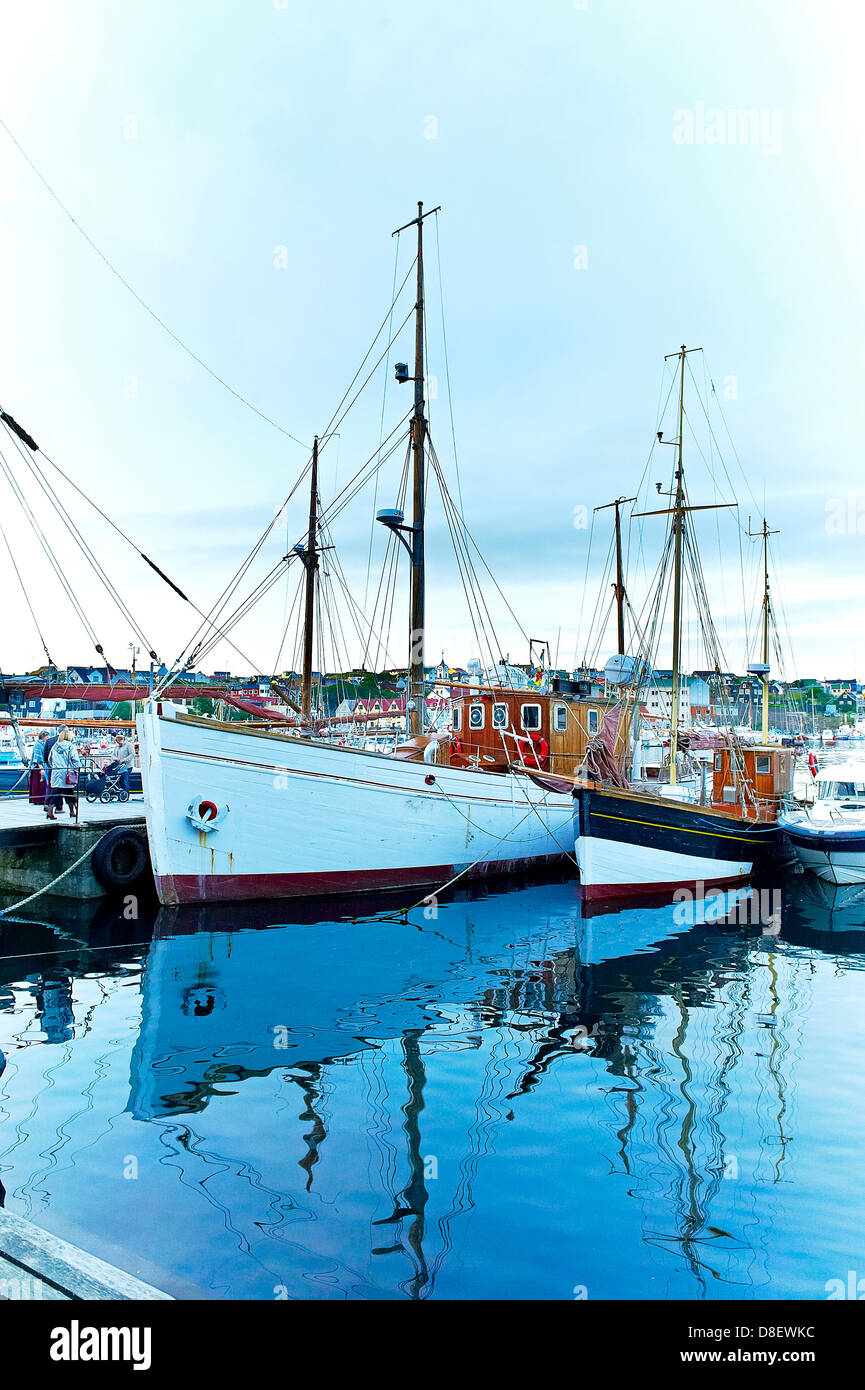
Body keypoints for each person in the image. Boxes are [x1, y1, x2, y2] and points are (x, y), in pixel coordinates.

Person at [47, 728, 81, 819]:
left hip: (56, 772)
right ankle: (72, 812)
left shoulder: (55, 746)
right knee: (69, 793)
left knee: (55, 792)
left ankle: (50, 812)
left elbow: (50, 759)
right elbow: (75, 759)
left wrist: (54, 767)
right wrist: (77, 768)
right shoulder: (71, 746)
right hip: (67, 772)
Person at [27, 729, 50, 808]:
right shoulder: (38, 745)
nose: (48, 738)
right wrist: (41, 768)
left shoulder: (41, 744)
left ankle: (39, 799)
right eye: (47, 737)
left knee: (39, 784)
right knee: (38, 784)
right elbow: (37, 757)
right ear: (43, 737)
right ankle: (38, 800)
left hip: (40, 766)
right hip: (38, 766)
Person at [111, 730, 135, 794]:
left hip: (127, 766)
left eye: (119, 741)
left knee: (125, 780)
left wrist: (124, 759)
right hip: (119, 766)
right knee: (120, 780)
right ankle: (121, 793)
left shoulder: (129, 745)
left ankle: (126, 793)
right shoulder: (117, 746)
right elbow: (112, 754)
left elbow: (132, 754)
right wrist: (116, 759)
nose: (118, 743)